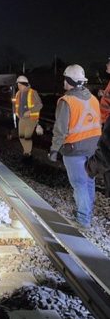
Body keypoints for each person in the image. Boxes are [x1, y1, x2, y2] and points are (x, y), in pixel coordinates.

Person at [49, 64, 102, 228]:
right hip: (94, 148)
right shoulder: (93, 98)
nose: (63, 83)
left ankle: (83, 219)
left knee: (79, 184)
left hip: (75, 149)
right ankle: (87, 212)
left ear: (69, 80)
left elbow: (60, 129)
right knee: (89, 182)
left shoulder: (67, 101)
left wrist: (54, 150)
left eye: (65, 79)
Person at [12, 75, 42, 160]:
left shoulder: (33, 92)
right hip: (22, 118)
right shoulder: (18, 93)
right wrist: (16, 112)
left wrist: (30, 111)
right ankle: (26, 150)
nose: (18, 87)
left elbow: (39, 105)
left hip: (31, 119)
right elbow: (16, 104)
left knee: (27, 136)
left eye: (20, 85)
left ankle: (27, 152)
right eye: (18, 85)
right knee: (21, 136)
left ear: (24, 84)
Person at [99, 57, 110, 124]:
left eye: (109, 63)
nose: (106, 65)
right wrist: (104, 93)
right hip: (105, 119)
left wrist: (104, 94)